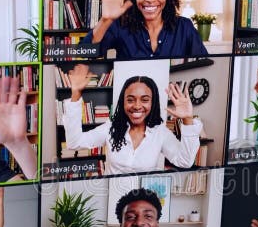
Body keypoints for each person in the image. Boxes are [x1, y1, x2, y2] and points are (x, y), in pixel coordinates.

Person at [62, 64, 202, 174]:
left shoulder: (160, 133)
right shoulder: (111, 128)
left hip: (144, 202)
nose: (137, 106)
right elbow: (74, 143)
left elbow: (185, 162)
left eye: (145, 100)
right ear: (123, 102)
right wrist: (75, 95)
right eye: (130, 100)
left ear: (153, 103)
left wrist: (188, 119)